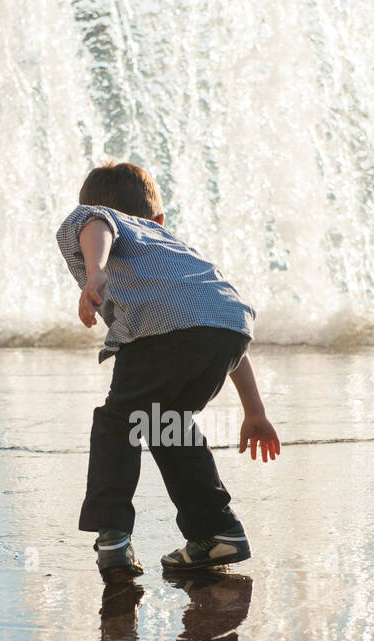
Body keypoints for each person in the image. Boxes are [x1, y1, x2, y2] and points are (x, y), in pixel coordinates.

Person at [56, 162, 280, 581]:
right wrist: (255, 411)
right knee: (167, 425)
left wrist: (97, 270)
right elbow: (218, 327)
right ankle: (218, 531)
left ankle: (113, 535)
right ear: (159, 220)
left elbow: (96, 222)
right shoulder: (175, 248)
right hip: (228, 331)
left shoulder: (95, 220)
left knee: (117, 422)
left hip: (164, 333)